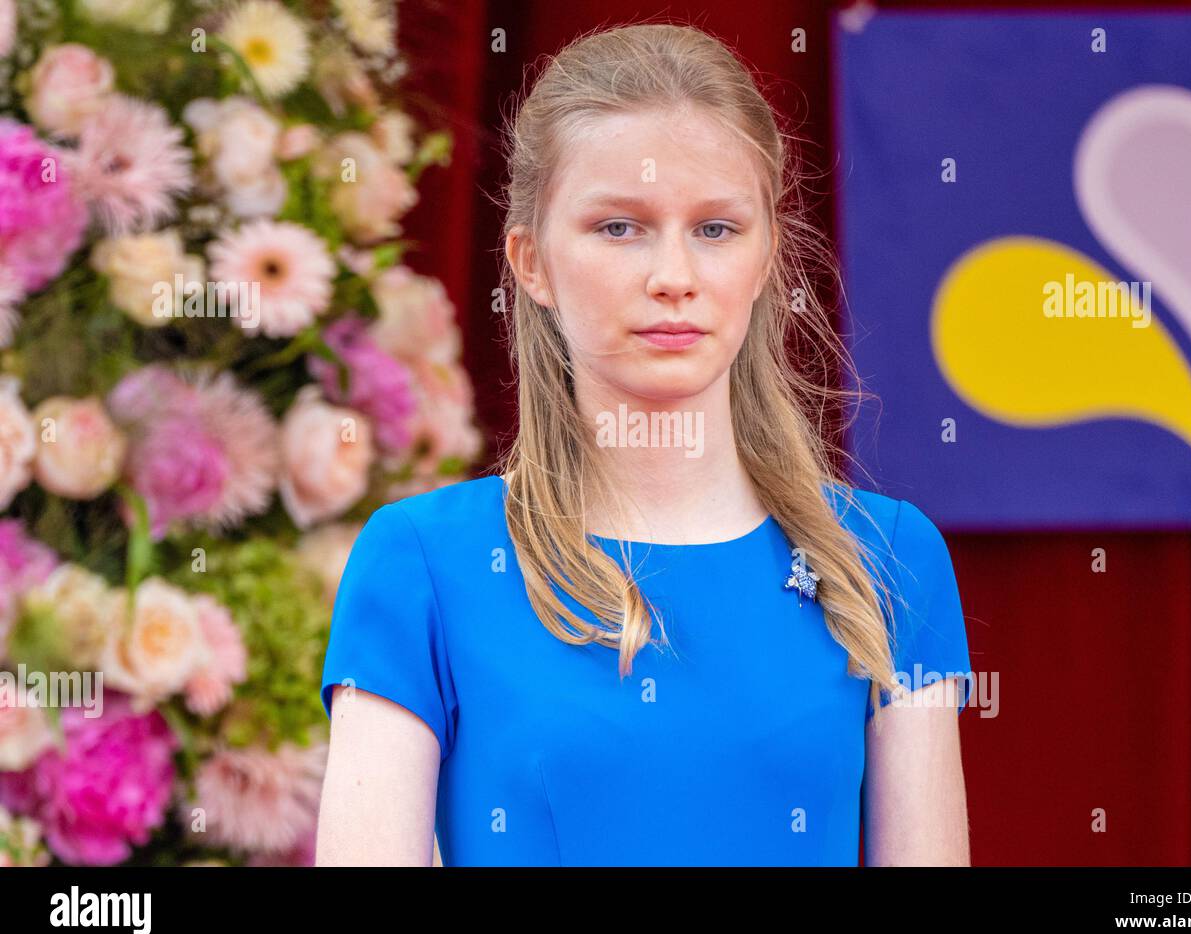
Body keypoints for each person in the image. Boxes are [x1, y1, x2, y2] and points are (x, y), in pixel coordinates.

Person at [315, 21, 973, 867]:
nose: (674, 275)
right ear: (532, 262)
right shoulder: (423, 563)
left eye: (716, 228)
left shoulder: (888, 558)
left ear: (767, 253)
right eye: (619, 227)